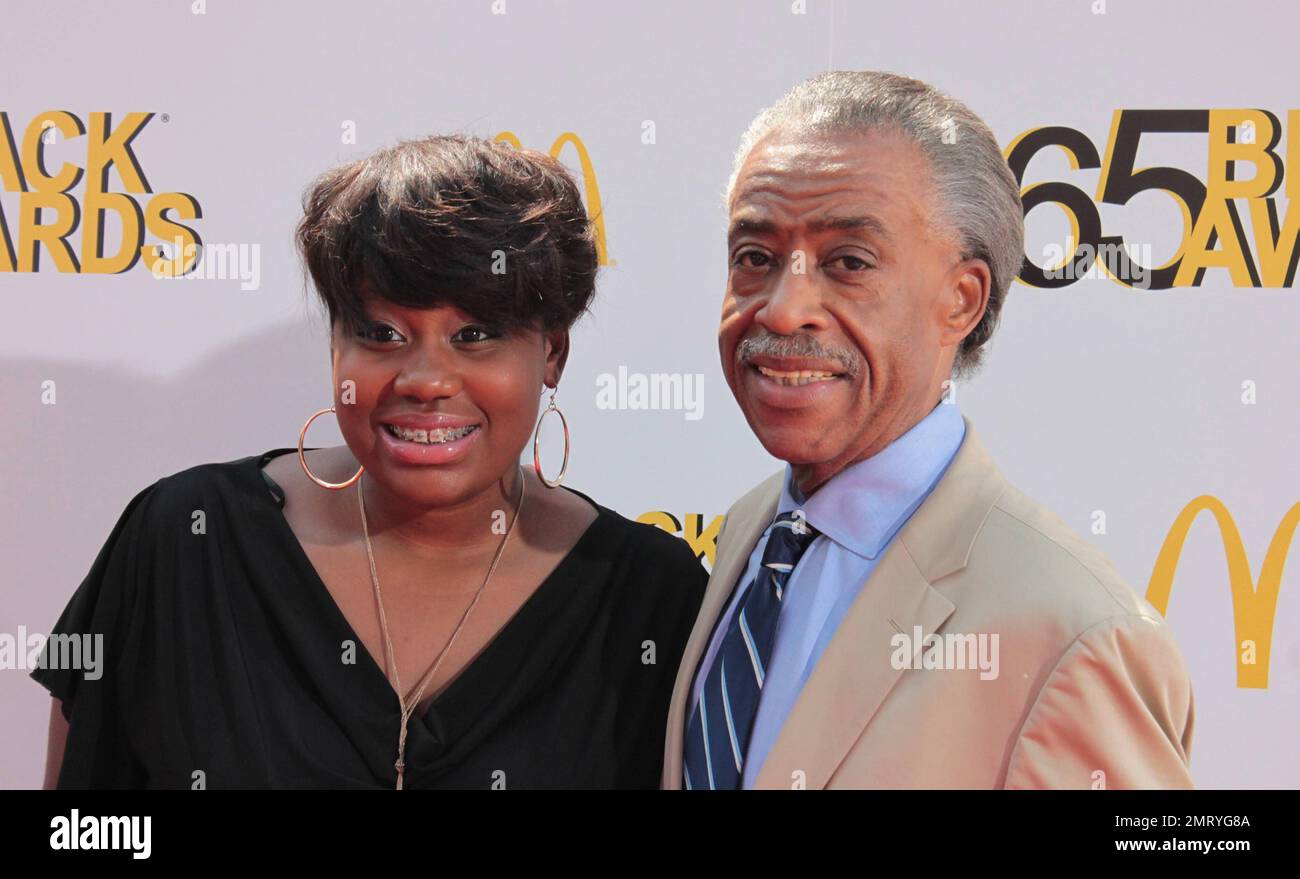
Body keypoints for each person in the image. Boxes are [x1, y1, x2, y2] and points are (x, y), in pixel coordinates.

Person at [33, 134, 707, 789]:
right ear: (334, 346)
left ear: (552, 353)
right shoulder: (186, 541)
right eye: (381, 333)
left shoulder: (651, 597)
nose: (425, 379)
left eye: (476, 334)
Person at [662, 71, 1196, 789]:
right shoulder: (750, 532)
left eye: (848, 262)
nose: (784, 309)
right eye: (754, 258)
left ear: (963, 299)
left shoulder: (1074, 635)